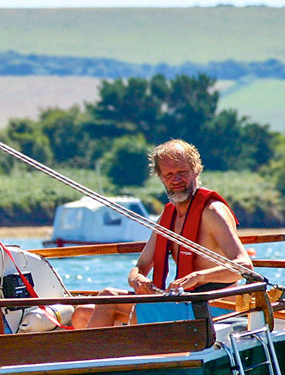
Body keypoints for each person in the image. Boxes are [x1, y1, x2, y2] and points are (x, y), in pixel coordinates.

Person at [72, 139, 253, 329]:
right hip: (185, 305)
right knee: (82, 313)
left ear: (196, 171)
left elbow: (244, 266)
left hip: (215, 309)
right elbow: (141, 266)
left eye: (182, 173)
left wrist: (198, 277)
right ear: (160, 177)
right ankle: (114, 357)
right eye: (169, 174)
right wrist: (137, 279)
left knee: (109, 299)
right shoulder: (168, 217)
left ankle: (100, 358)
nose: (176, 180)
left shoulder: (212, 212)